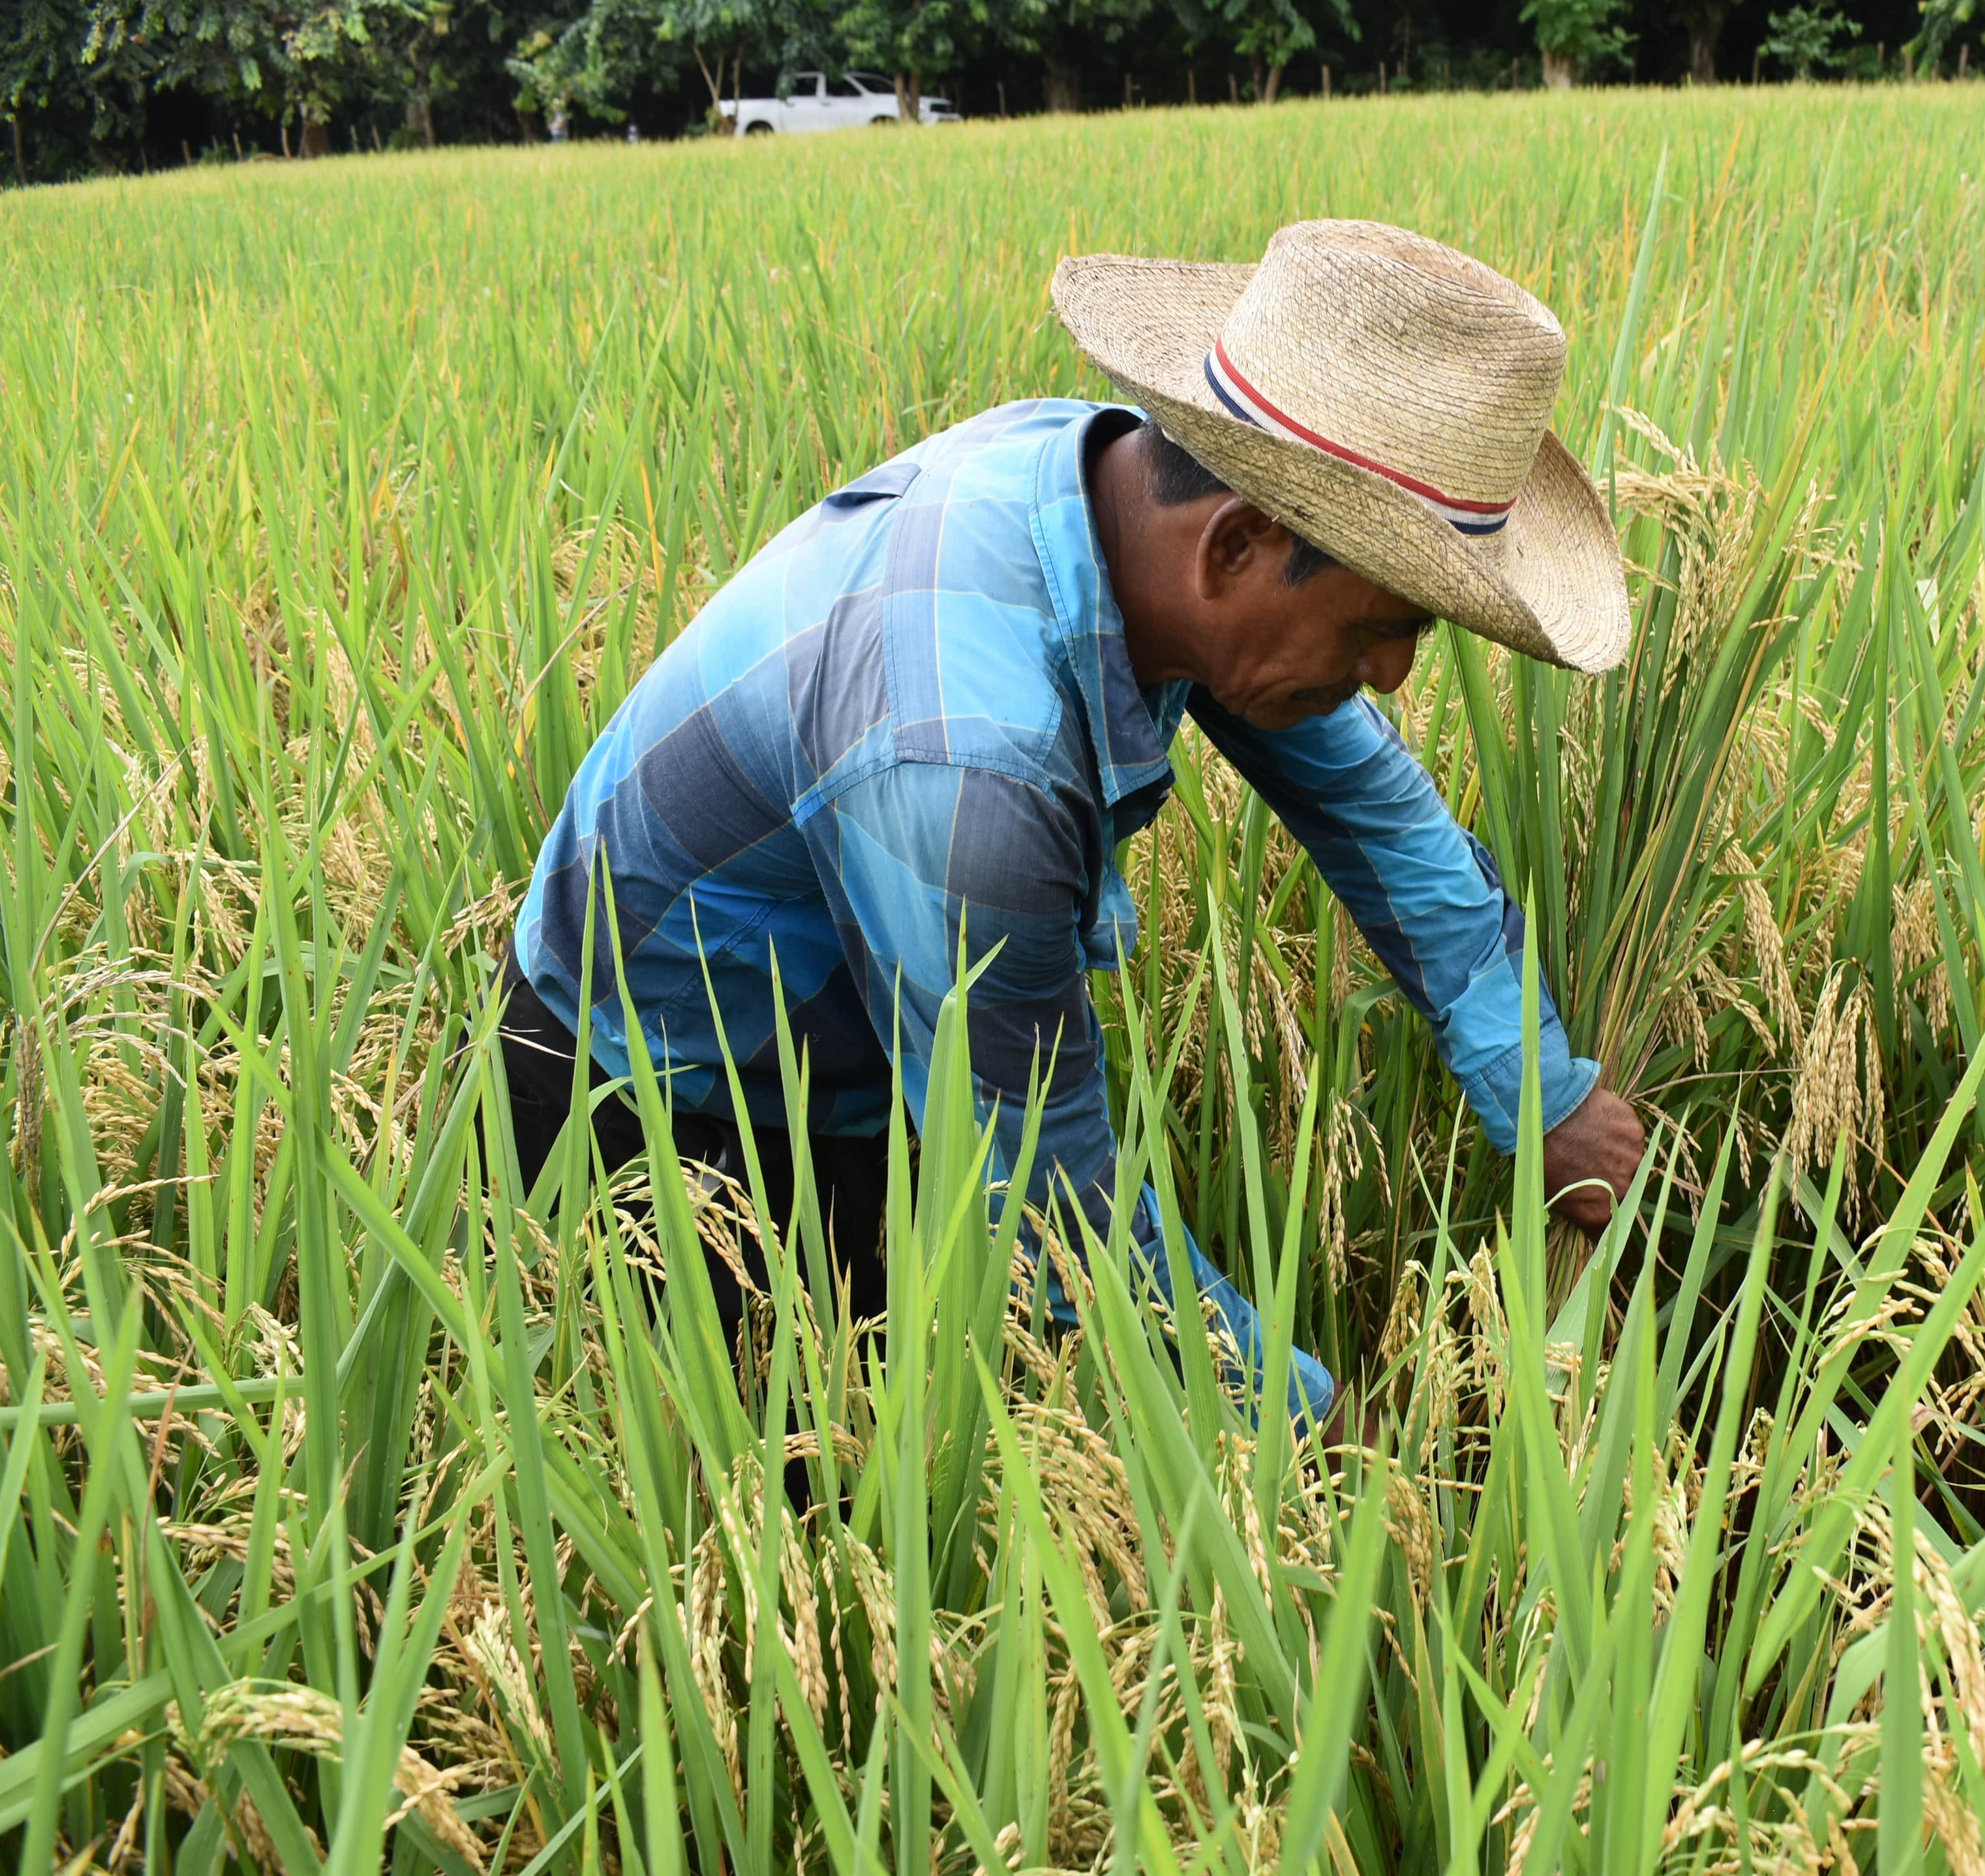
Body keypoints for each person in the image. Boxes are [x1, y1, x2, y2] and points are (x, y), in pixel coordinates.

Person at [495, 219, 1647, 1425]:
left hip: (865, 1049)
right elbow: (1055, 1216)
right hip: (653, 1118)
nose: (1397, 676)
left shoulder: (1121, 500)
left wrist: (1543, 1092)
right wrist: (1317, 1439)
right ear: (1234, 549)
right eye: (1381, 627)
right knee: (797, 1479)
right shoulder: (972, 765)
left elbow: (1376, 813)